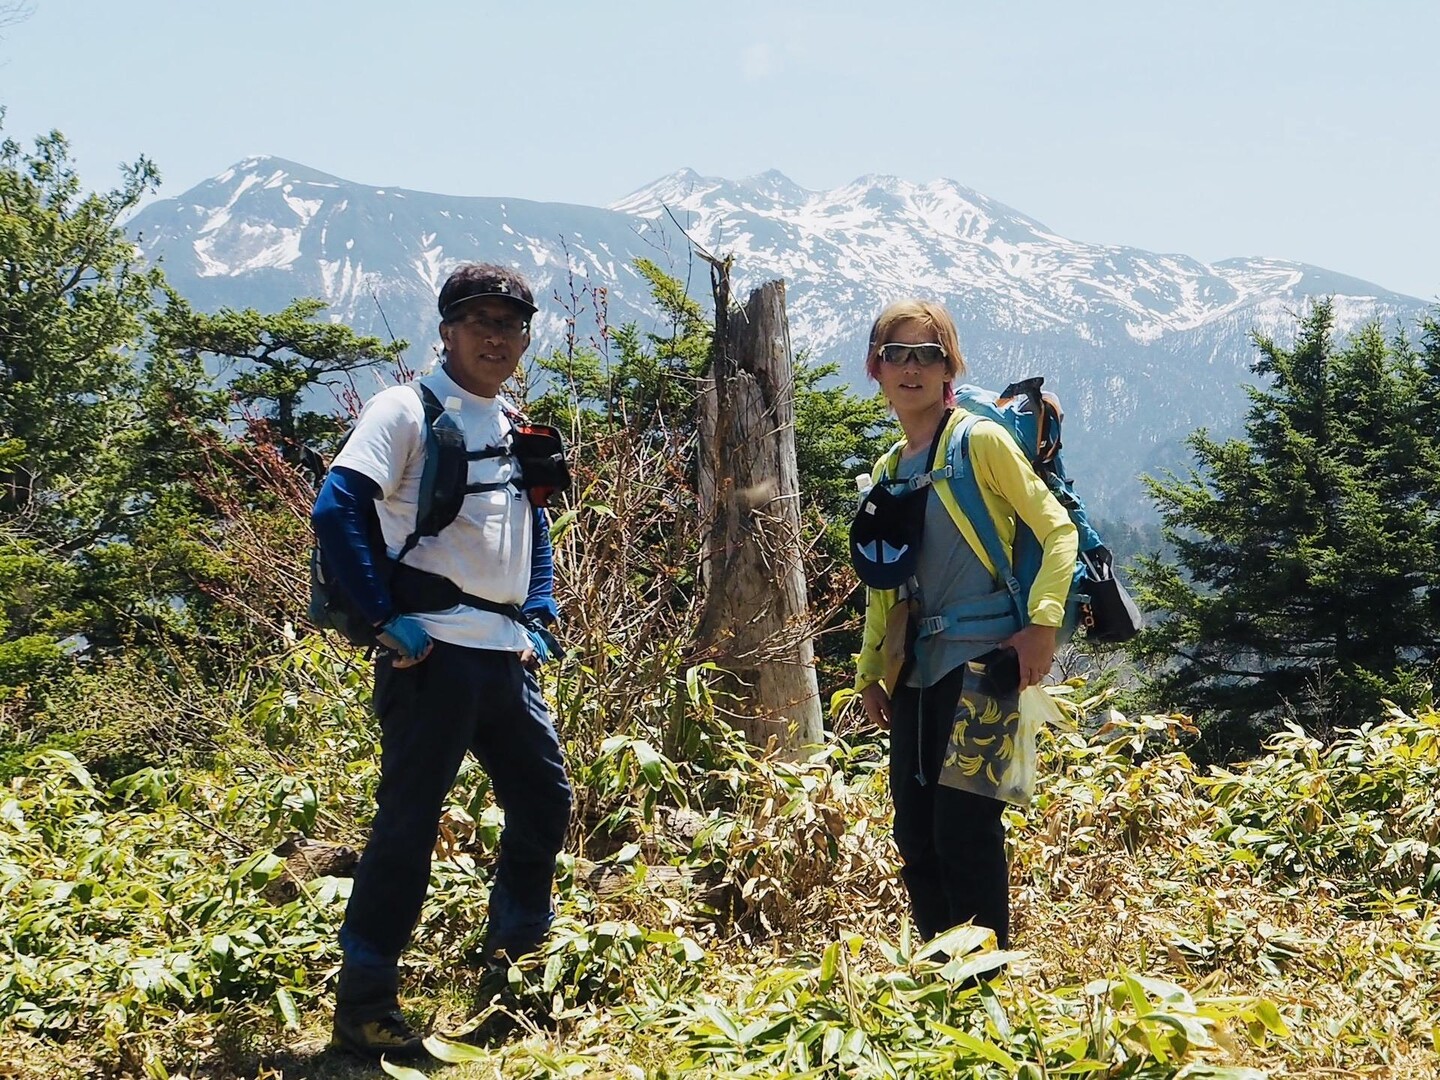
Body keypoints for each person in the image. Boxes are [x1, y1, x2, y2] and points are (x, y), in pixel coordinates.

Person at [311, 263, 572, 1058]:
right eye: (480, 322)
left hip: (502, 655)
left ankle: (515, 966)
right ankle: (366, 1003)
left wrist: (538, 611)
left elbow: (534, 528)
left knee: (546, 800)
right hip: (430, 655)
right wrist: (386, 619)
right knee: (408, 826)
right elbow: (337, 507)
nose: (497, 338)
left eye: (512, 325)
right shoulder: (404, 409)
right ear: (447, 330)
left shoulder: (510, 419)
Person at [852, 298, 1077, 955]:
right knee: (916, 838)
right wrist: (873, 672)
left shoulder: (978, 443)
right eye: (898, 354)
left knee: (967, 833)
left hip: (987, 666)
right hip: (919, 671)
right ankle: (941, 984)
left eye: (928, 354)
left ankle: (981, 988)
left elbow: (1055, 529)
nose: (912, 368)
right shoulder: (892, 468)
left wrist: (1043, 626)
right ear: (876, 367)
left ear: (950, 367)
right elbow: (885, 587)